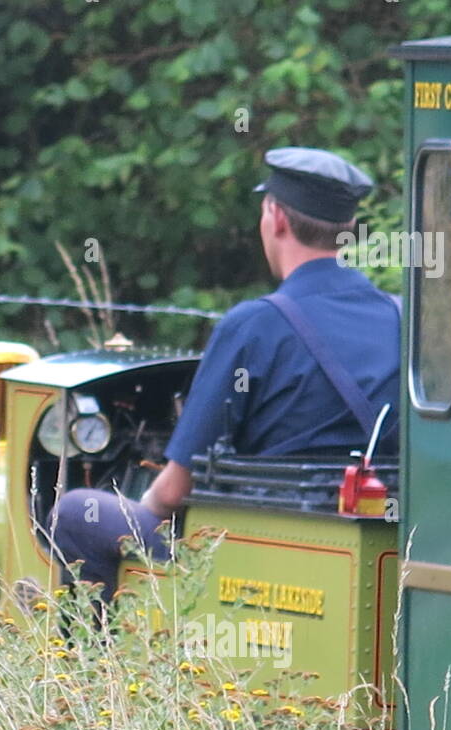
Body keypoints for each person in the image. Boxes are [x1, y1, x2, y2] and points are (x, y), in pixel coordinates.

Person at [50, 147, 400, 607]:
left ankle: (92, 668)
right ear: (349, 230)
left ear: (274, 217)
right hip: (380, 539)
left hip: (257, 556)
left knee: (77, 513)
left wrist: (144, 509)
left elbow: (174, 490)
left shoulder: (254, 325)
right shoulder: (403, 318)